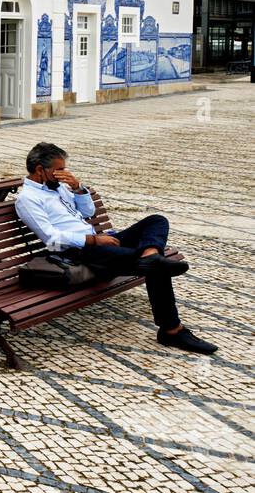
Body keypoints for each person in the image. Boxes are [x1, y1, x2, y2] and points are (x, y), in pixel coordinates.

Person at [14, 142, 217, 354]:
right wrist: (92, 240)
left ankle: (150, 254)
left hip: (99, 243)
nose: (65, 173)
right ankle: (172, 331)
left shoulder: (59, 188)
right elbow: (51, 238)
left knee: (156, 220)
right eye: (60, 169)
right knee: (158, 268)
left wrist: (77, 188)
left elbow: (88, 212)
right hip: (78, 252)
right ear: (40, 170)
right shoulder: (28, 199)